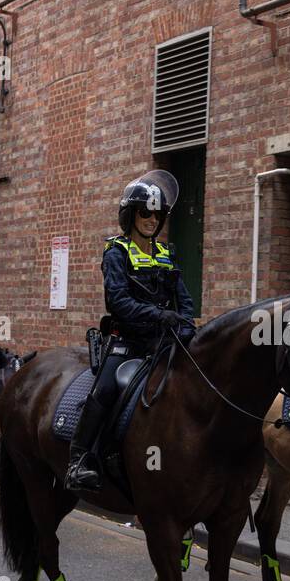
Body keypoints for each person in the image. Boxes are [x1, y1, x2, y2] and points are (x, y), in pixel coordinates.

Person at [65, 170, 196, 492]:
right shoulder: (116, 252)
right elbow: (119, 301)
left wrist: (186, 323)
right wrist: (158, 315)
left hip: (165, 342)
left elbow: (185, 298)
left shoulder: (167, 253)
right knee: (105, 390)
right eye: (145, 212)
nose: (152, 219)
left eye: (158, 214)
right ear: (130, 215)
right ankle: (79, 460)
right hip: (128, 343)